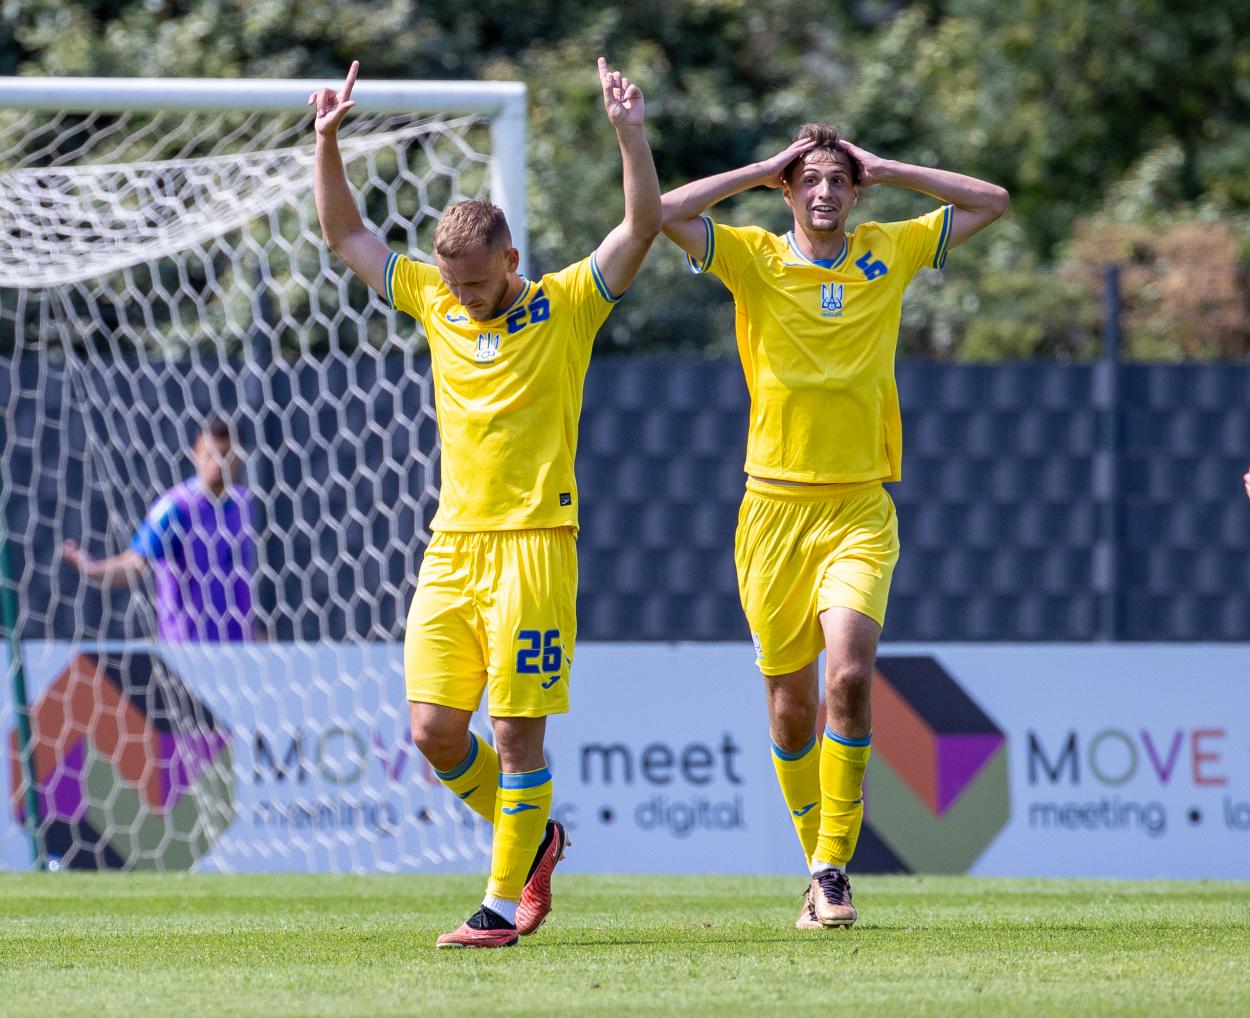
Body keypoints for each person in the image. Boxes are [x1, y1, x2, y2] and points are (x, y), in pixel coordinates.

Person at [310, 58, 660, 948]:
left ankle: (500, 906)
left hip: (536, 544)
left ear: (510, 258)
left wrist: (630, 133)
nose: (463, 297)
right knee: (432, 732)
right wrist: (327, 142)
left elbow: (641, 225)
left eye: (475, 282)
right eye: (451, 283)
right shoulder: (434, 301)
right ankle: (535, 838)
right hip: (452, 547)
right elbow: (347, 236)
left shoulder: (567, 304)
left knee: (515, 737)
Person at [661, 124, 1008, 928]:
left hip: (858, 505)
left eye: (839, 182)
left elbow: (992, 201)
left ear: (856, 193)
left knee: (848, 678)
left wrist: (889, 166)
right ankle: (814, 859)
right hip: (772, 510)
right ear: (788, 191)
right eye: (809, 180)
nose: (825, 193)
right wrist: (757, 168)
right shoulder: (751, 257)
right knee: (789, 709)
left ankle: (833, 866)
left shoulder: (890, 249)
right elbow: (663, 215)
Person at [62, 416, 257, 643]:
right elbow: (134, 564)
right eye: (209, 455)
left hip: (238, 648)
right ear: (195, 454)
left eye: (225, 455)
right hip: (186, 650)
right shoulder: (177, 507)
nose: (217, 463)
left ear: (240, 456)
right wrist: (92, 568)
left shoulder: (243, 503)